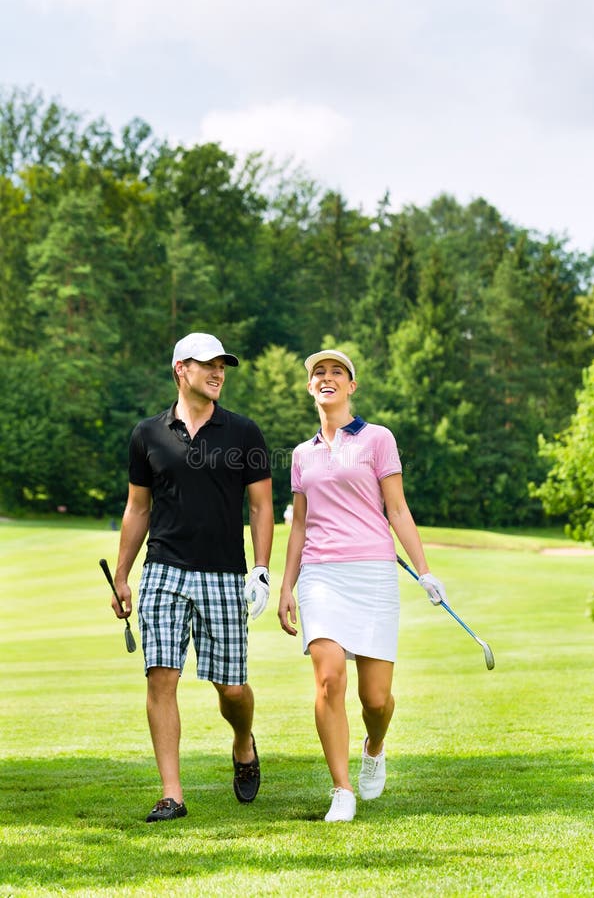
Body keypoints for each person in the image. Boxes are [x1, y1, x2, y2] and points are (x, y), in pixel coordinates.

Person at [110, 332, 274, 822]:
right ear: (180, 368)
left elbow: (262, 506)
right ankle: (172, 794)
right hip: (163, 569)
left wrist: (261, 569)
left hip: (224, 575)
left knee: (232, 689)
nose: (218, 372)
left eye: (223, 365)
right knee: (161, 677)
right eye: (208, 365)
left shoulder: (244, 432)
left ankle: (243, 742)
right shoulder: (147, 433)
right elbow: (137, 509)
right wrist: (122, 573)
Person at [278, 349, 446, 823]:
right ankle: (342, 789)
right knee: (329, 676)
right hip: (320, 575)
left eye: (337, 373)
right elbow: (299, 526)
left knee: (375, 699)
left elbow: (397, 509)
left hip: (372, 572)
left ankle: (375, 745)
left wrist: (425, 570)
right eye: (318, 374)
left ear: (351, 387)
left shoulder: (378, 439)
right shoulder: (301, 454)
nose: (326, 378)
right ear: (311, 388)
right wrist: (288, 586)